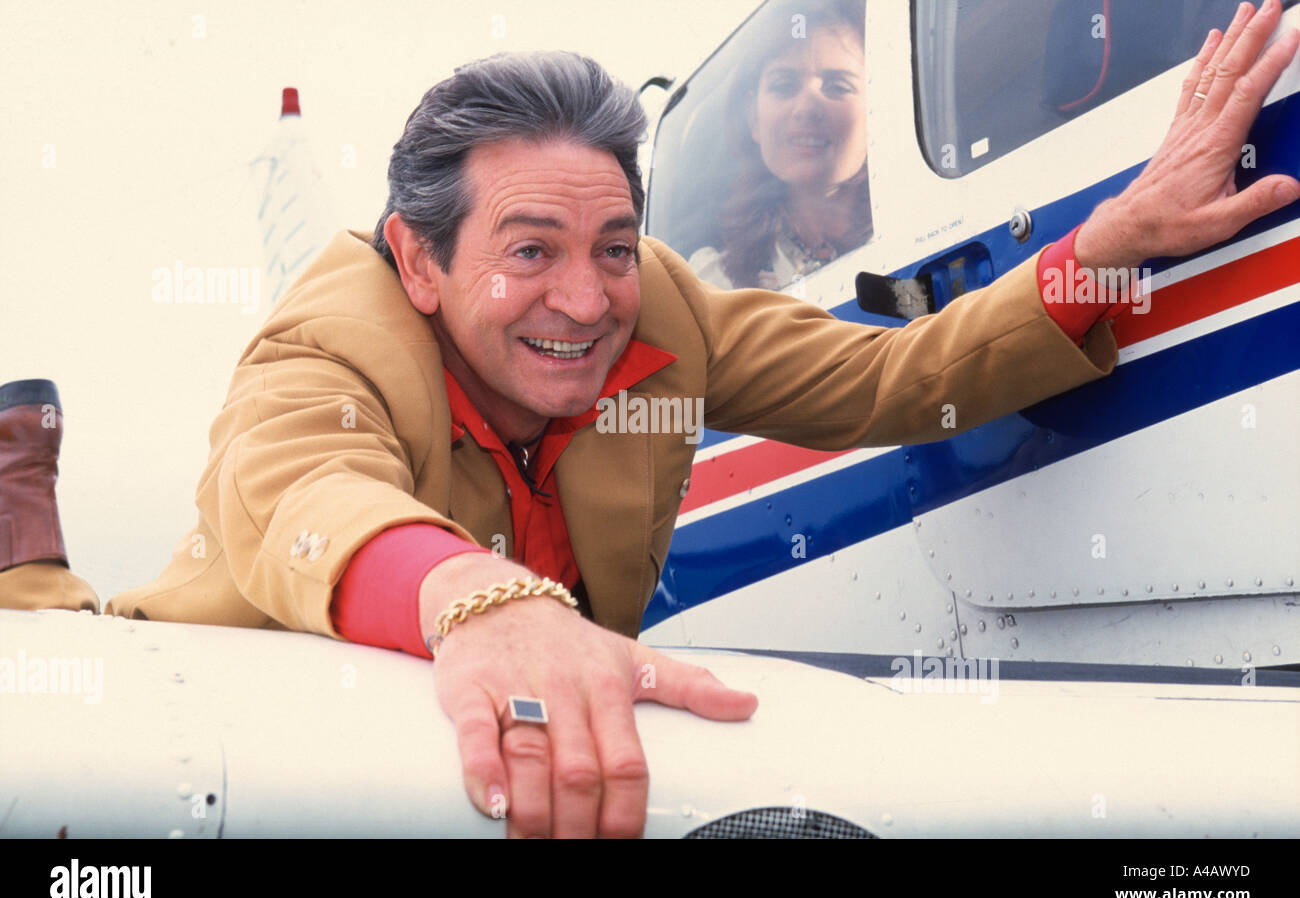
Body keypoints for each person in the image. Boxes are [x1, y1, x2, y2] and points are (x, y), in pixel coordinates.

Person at [2, 1, 1297, 839]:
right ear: (418, 261)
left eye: (613, 244)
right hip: (263, 666)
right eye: (529, 251)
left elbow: (899, 380)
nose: (585, 300)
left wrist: (1110, 245)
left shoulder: (659, 313)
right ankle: (27, 549)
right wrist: (485, 604)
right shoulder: (324, 340)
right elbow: (308, 498)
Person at [690, 0, 872, 290]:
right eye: (784, 86)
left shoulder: (921, 227)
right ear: (754, 120)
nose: (806, 109)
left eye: (838, 86)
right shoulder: (716, 286)